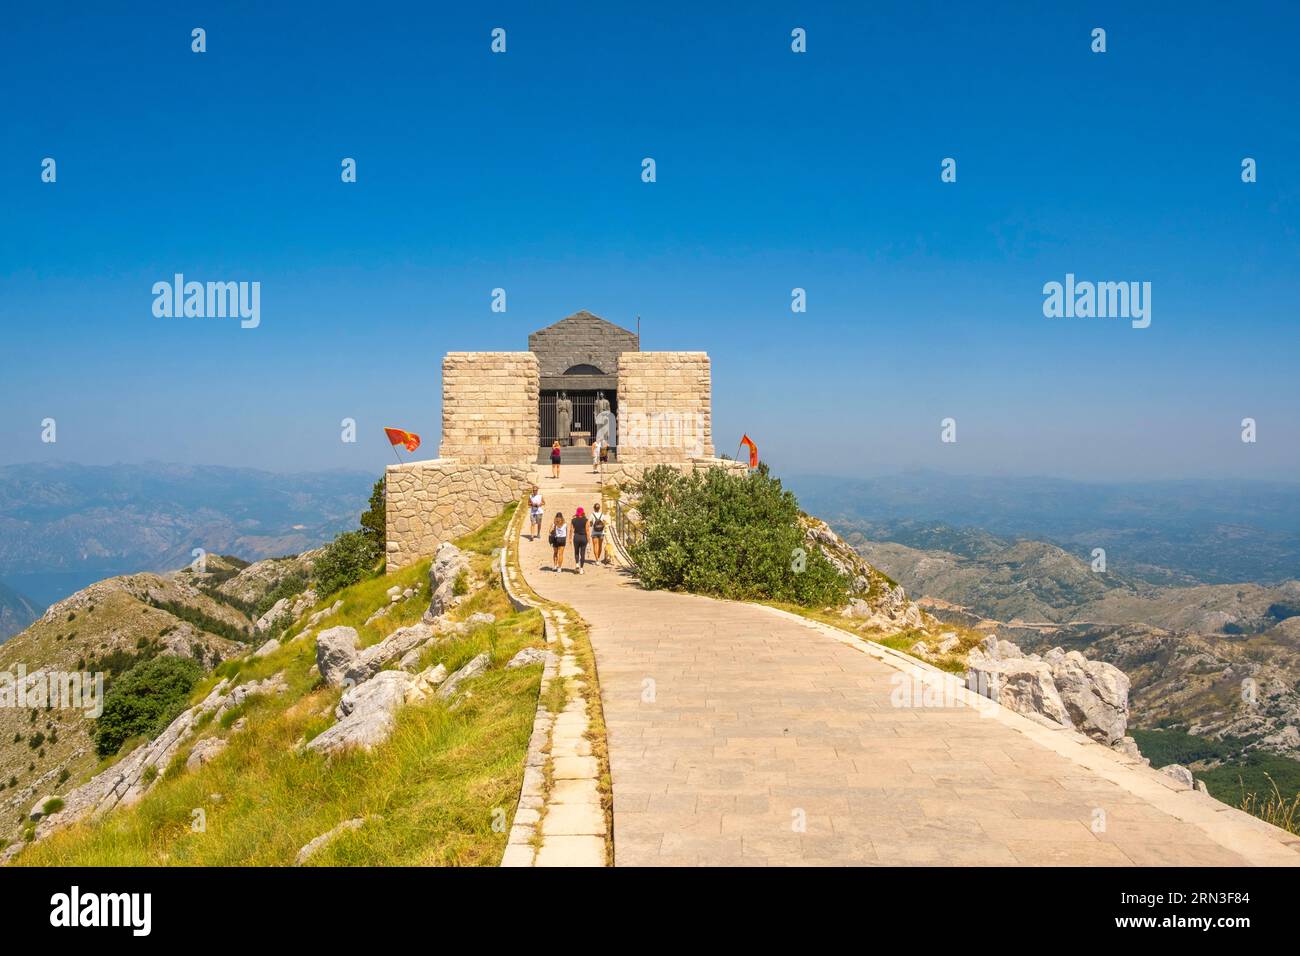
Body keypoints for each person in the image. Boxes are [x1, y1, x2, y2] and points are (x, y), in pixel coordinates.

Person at [571, 506, 589, 574]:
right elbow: (587, 530)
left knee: (576, 551)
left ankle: (577, 564)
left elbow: (571, 530)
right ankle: (581, 569)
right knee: (582, 553)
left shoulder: (573, 520)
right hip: (584, 537)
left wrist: (570, 538)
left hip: (576, 537)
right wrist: (589, 540)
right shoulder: (586, 520)